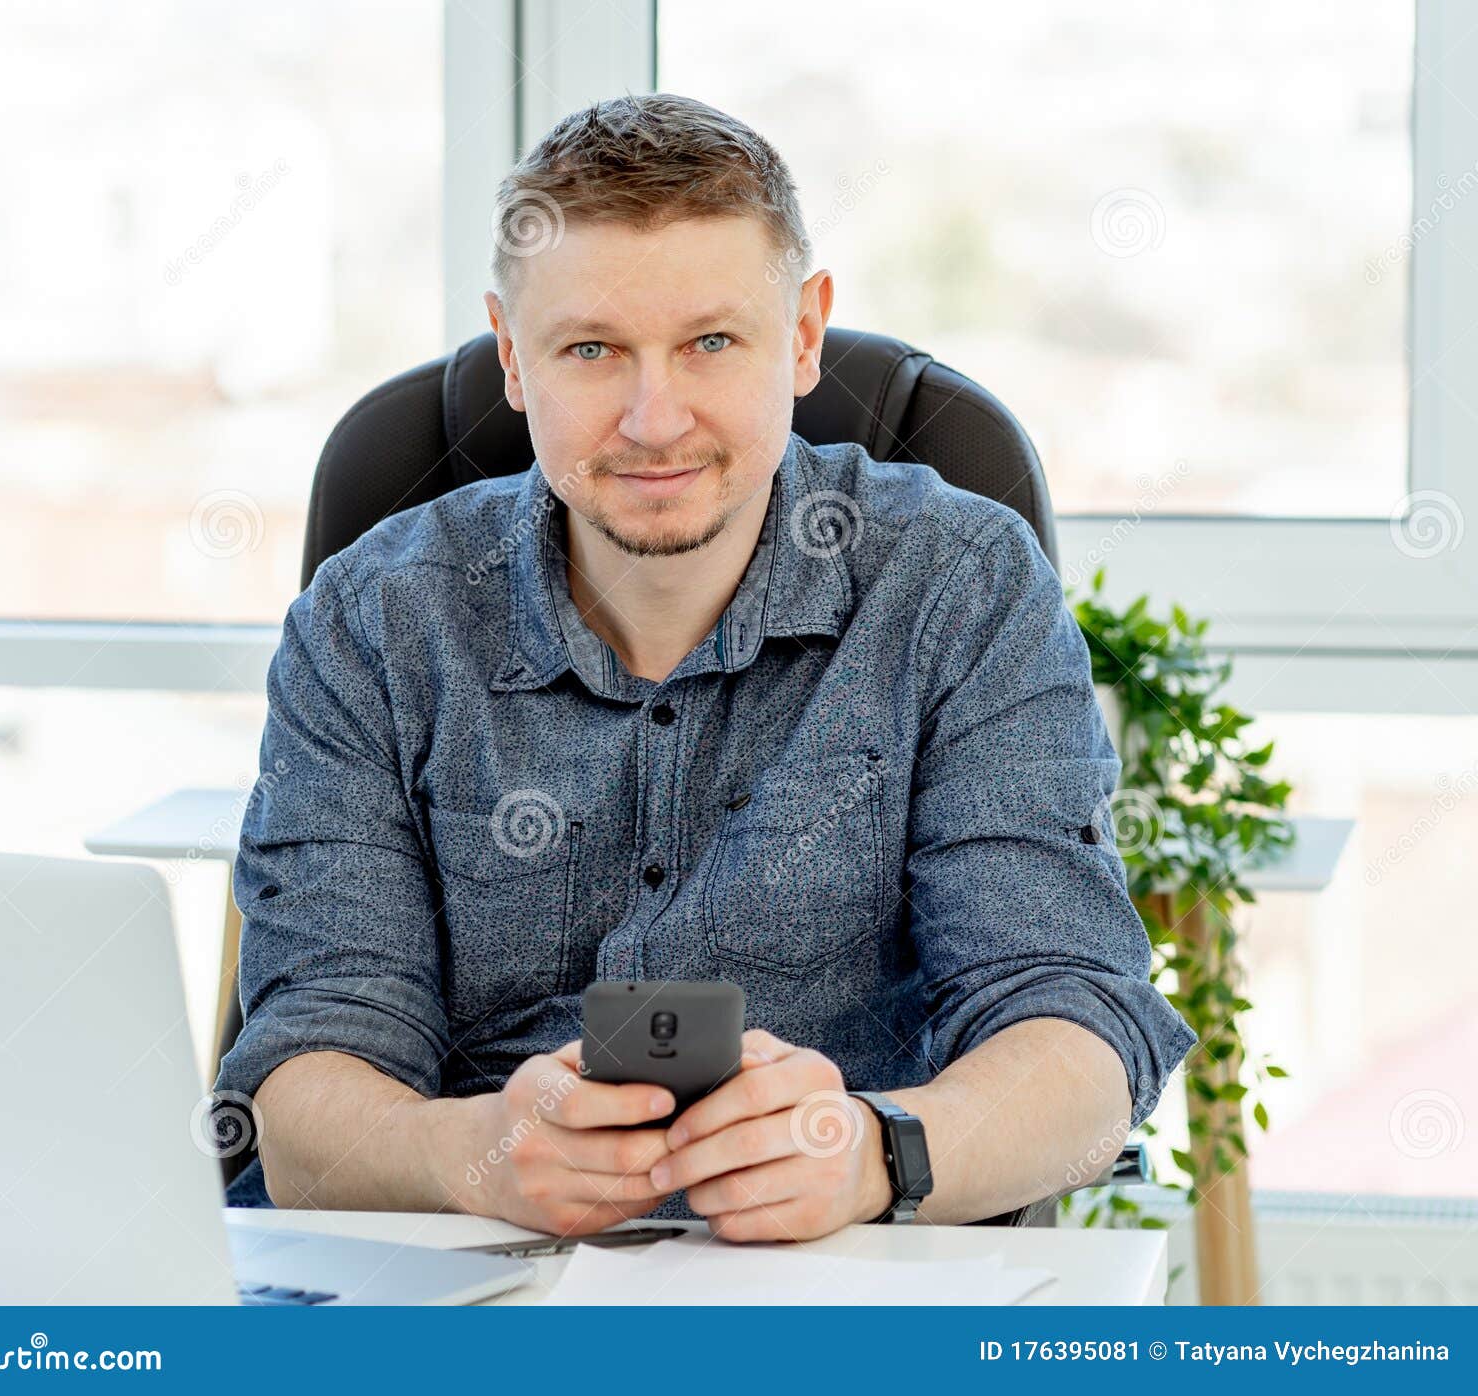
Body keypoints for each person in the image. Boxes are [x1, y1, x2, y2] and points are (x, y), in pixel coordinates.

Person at [214, 93, 1194, 1242]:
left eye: (709, 343)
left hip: (847, 1280)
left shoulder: (959, 583)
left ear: (804, 334)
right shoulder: (374, 619)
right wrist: (474, 1154)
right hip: (476, 1282)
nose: (652, 417)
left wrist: (875, 1153)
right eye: (591, 350)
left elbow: (1077, 1039)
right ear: (513, 357)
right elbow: (300, 1084)